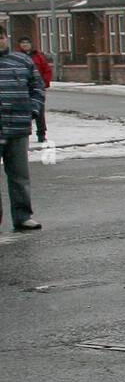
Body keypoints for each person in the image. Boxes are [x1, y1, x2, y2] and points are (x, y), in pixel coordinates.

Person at [0, 26, 44, 232]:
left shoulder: (22, 61)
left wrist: (32, 111)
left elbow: (37, 87)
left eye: (1, 37)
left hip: (18, 126)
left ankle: (23, 216)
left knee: (19, 175)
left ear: (7, 38)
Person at [18, 37, 51, 144]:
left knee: (39, 112)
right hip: (23, 89)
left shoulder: (39, 57)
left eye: (27, 42)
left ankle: (41, 134)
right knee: (24, 113)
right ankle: (24, 135)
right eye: (23, 43)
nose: (25, 45)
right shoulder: (17, 57)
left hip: (37, 89)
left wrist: (43, 84)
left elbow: (47, 70)